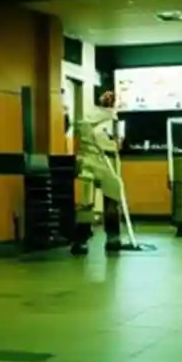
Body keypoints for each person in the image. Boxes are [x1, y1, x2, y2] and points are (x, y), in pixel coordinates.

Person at [71, 91, 126, 255]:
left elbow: (78, 139)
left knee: (86, 202)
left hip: (87, 160)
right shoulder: (114, 120)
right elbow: (118, 143)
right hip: (108, 162)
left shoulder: (85, 118)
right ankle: (113, 238)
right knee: (111, 200)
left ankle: (81, 240)